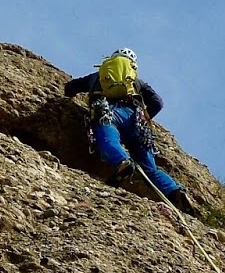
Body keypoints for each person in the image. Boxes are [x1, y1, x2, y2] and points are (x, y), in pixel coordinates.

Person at [63, 48, 197, 215]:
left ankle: (122, 163)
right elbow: (158, 103)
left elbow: (70, 87)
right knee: (150, 169)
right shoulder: (137, 82)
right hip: (137, 121)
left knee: (109, 140)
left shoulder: (96, 77)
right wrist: (146, 117)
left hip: (108, 112)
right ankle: (174, 191)